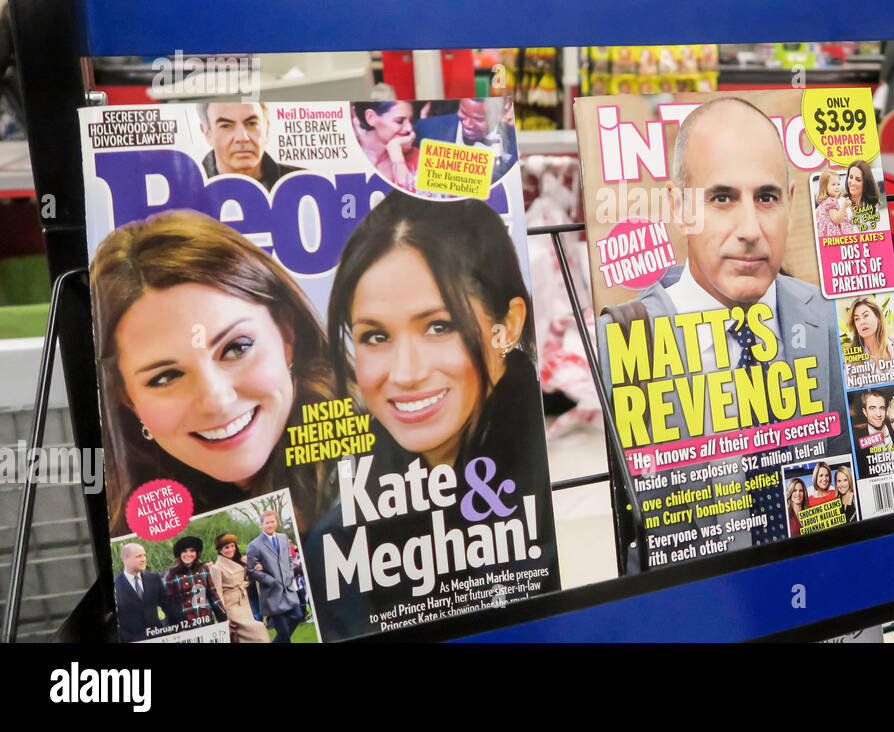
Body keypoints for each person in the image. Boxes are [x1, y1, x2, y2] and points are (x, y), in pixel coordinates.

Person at [596, 97, 847, 553]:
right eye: (722, 198)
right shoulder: (633, 337)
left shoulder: (831, 317)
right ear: (677, 207)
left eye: (766, 198)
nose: (750, 228)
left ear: (790, 205)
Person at [314, 190, 556, 632]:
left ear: (508, 327)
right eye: (375, 336)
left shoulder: (565, 488)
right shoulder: (335, 543)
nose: (405, 374)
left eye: (439, 327)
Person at [91, 210, 333, 536]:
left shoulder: (388, 460)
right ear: (128, 399)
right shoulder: (134, 517)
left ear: (287, 335)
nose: (216, 399)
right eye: (165, 377)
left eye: (236, 348)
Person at [195, 102, 300, 190]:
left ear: (266, 129)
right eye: (226, 126)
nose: (242, 137)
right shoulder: (187, 191)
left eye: (251, 123)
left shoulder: (301, 182)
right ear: (207, 133)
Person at [413, 99, 518, 183]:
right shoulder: (427, 128)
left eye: (478, 119)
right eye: (463, 112)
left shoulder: (515, 139)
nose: (467, 124)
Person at [244, 511, 300, 643]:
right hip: (271, 593)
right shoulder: (254, 545)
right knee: (284, 633)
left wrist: (289, 573)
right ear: (262, 524)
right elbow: (251, 570)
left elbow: (289, 559)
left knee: (298, 616)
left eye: (272, 521)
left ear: (276, 522)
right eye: (267, 522)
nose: (270, 525)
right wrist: (271, 581)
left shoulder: (283, 538)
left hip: (288, 588)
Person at [210, 533, 270, 643]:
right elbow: (217, 594)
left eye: (232, 546)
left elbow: (245, 580)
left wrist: (256, 569)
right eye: (226, 547)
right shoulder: (216, 568)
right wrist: (224, 619)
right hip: (231, 607)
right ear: (220, 550)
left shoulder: (238, 562)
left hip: (244, 603)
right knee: (258, 630)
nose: (230, 549)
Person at [114, 542, 177, 642]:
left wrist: (170, 629)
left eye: (144, 555)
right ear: (126, 559)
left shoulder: (153, 579)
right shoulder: (115, 586)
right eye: (139, 556)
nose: (144, 559)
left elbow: (169, 606)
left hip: (158, 637)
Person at [162, 536, 226, 628]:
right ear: (179, 554)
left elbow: (213, 596)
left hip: (206, 620)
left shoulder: (204, 569)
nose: (188, 554)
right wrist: (176, 624)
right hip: (185, 624)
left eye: (192, 551)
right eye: (184, 551)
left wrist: (223, 618)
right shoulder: (171, 575)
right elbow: (169, 605)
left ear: (196, 553)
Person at [353, 100, 417, 190]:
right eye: (399, 121)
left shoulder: (416, 156)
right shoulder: (349, 155)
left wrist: (398, 158)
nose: (409, 128)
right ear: (371, 117)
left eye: (411, 121)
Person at [846, 296, 894, 381]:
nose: (862, 322)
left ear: (878, 317)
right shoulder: (852, 356)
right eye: (857, 319)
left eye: (866, 315)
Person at [843, 159, 882, 232]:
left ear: (866, 183)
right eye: (850, 177)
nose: (852, 182)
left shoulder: (873, 207)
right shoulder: (840, 203)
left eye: (858, 179)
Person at [813, 169, 850, 239]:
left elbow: (816, 215)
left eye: (838, 184)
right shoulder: (831, 201)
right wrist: (844, 206)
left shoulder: (824, 202)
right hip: (835, 236)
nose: (837, 187)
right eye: (833, 184)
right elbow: (836, 220)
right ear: (825, 187)